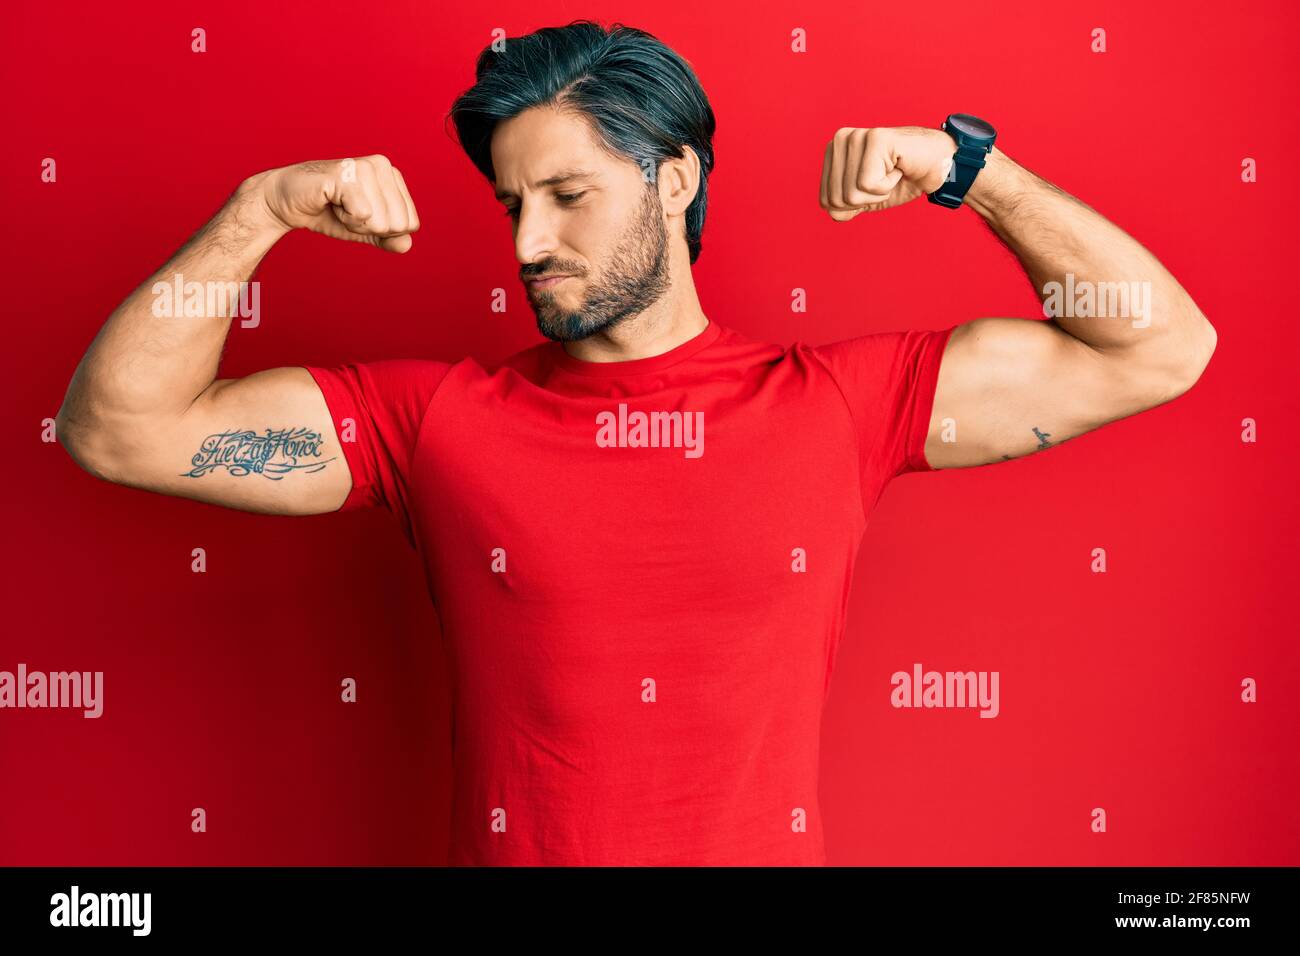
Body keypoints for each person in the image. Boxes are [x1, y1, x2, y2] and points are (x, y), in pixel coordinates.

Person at [54, 20, 1215, 865]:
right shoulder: (434, 425)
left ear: (674, 180)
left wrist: (975, 171)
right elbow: (123, 429)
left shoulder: (836, 405)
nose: (528, 241)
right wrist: (261, 211)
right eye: (512, 205)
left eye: (566, 193)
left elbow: (1156, 347)